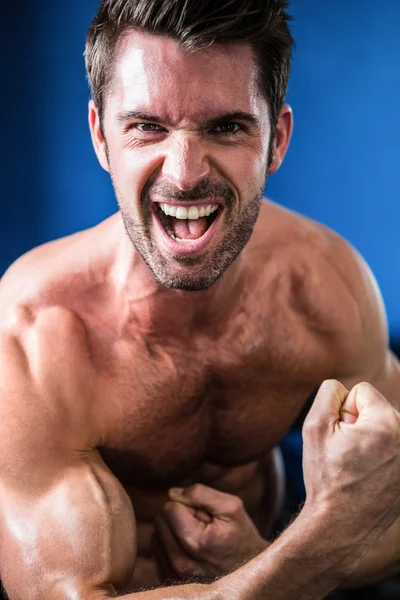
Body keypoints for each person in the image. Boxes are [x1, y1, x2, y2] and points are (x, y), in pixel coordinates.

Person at [0, 0, 399, 598]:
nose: (185, 173)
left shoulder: (326, 287)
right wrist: (319, 541)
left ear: (277, 140)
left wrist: (267, 558)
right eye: (147, 127)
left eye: (226, 127)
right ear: (101, 137)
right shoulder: (35, 337)